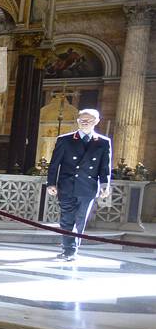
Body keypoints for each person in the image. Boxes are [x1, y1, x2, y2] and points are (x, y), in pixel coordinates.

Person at [47, 108, 111, 262]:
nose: (85, 122)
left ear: (96, 122)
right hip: (67, 185)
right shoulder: (65, 139)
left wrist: (105, 185)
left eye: (88, 120)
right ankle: (69, 250)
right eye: (82, 120)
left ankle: (72, 249)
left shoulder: (103, 142)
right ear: (77, 121)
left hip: (88, 187)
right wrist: (51, 183)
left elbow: (105, 167)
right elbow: (54, 164)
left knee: (80, 218)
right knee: (67, 218)